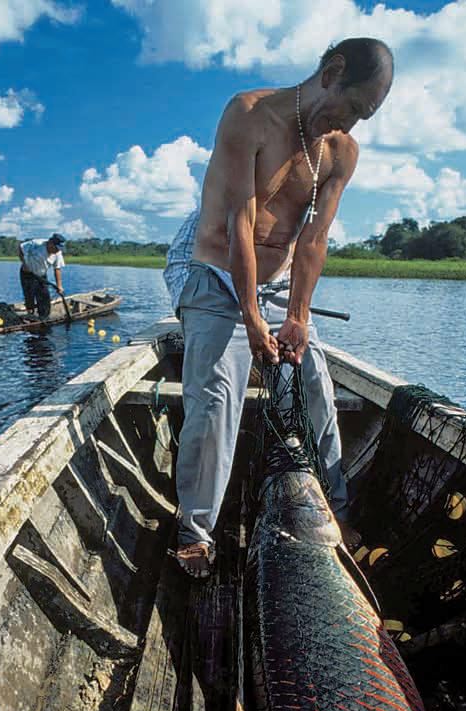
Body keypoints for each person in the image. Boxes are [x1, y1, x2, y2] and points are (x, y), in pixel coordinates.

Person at [164, 38, 394, 577]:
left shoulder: (341, 152)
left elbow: (314, 239)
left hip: (277, 281)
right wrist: (248, 316)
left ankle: (335, 511)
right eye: (354, 108)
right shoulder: (251, 115)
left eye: (365, 118)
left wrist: (299, 317)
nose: (352, 125)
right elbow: (239, 221)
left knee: (316, 381)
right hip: (211, 268)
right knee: (218, 392)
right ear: (332, 72)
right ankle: (195, 531)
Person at [18, 233, 66, 318]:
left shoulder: (58, 253)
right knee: (29, 296)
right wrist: (24, 264)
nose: (57, 251)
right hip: (27, 274)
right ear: (50, 243)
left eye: (59, 249)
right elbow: (20, 248)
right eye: (56, 248)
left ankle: (44, 316)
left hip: (41, 276)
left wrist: (59, 286)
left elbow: (57, 269)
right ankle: (30, 314)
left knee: (44, 296)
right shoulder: (36, 244)